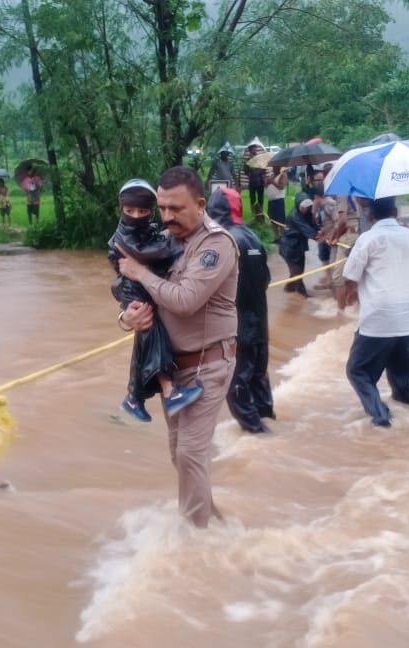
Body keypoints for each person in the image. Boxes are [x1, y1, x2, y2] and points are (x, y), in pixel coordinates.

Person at [117, 166, 238, 528]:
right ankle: (212, 522)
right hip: (172, 366)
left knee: (189, 453)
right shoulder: (165, 241)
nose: (167, 216)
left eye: (177, 208)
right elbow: (137, 302)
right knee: (180, 453)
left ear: (200, 204)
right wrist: (127, 319)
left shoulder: (215, 244)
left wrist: (141, 273)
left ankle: (196, 541)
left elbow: (185, 300)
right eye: (163, 207)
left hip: (208, 365)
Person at [108, 179, 205, 423]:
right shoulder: (124, 235)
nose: (136, 216)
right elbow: (144, 254)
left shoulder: (148, 231)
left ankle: (134, 397)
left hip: (141, 288)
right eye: (129, 211)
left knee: (146, 336)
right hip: (134, 289)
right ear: (121, 209)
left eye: (142, 211)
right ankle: (166, 391)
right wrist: (175, 246)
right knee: (152, 333)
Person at [339, 197, 409, 428]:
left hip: (377, 320)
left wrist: (351, 298)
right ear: (395, 211)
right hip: (406, 321)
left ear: (371, 216)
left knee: (358, 372)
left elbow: (349, 278)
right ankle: (408, 425)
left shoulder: (368, 238)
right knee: (402, 383)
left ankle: (380, 417)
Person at [207, 187, 275, 435]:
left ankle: (259, 434)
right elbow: (266, 279)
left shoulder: (222, 241)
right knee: (258, 376)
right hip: (260, 324)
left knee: (235, 383)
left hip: (237, 328)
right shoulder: (253, 237)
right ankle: (267, 421)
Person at [278, 197, 321, 297]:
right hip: (288, 246)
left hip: (299, 245)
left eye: (306, 207)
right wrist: (317, 237)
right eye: (302, 207)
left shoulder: (307, 213)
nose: (304, 209)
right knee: (297, 271)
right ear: (298, 205)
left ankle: (289, 286)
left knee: (300, 269)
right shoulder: (294, 215)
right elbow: (305, 228)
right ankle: (302, 293)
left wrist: (319, 230)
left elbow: (312, 224)